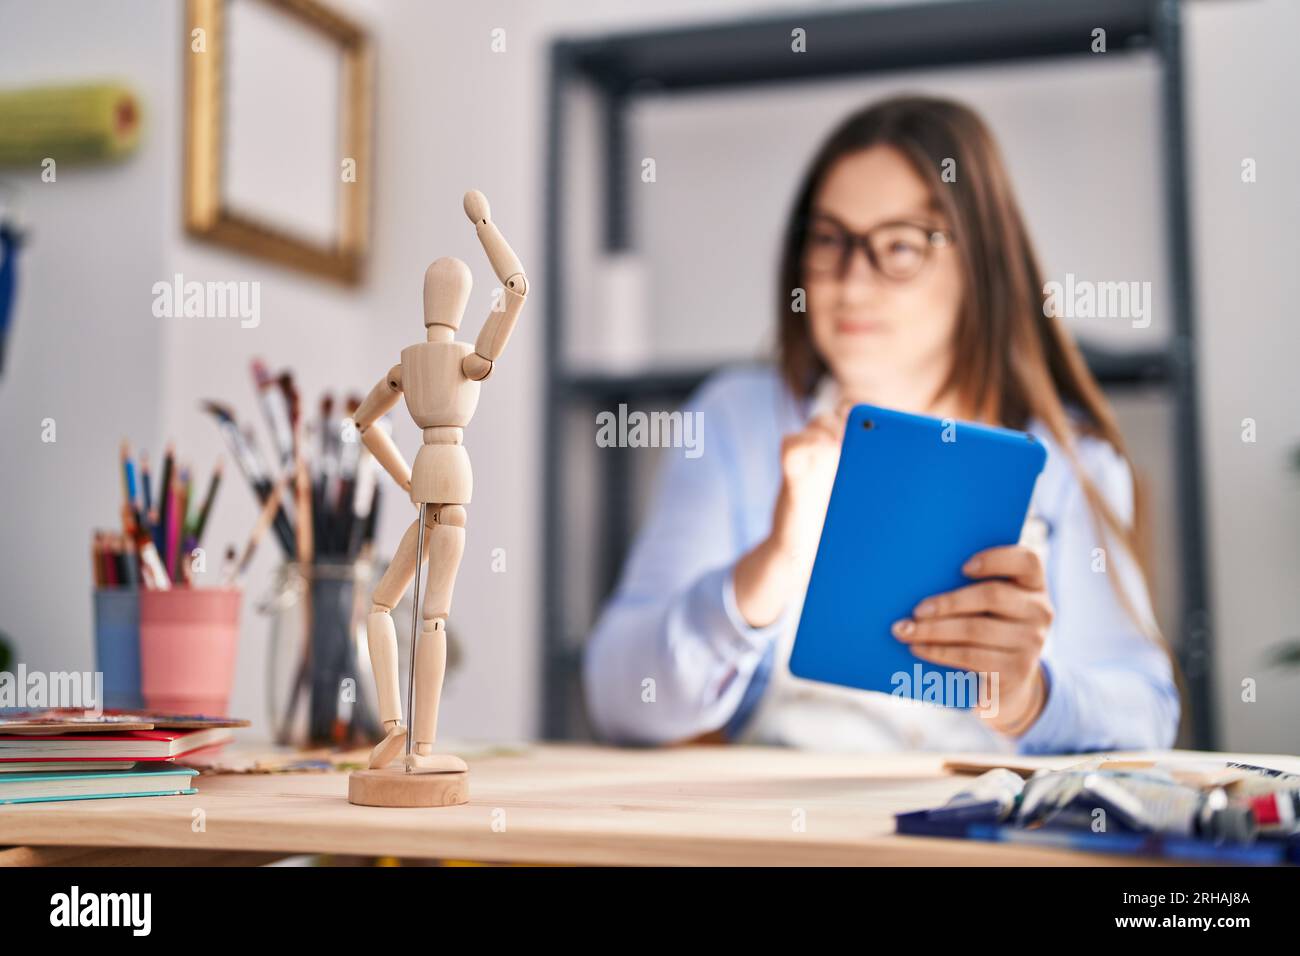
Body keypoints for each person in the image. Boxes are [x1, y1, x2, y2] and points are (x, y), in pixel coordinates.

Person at [583, 95, 1180, 754]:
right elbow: (619, 698)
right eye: (830, 240)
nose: (850, 284)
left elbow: (1146, 717)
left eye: (898, 246)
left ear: (980, 264)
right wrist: (769, 567)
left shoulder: (1069, 459)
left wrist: (1028, 696)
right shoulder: (738, 420)